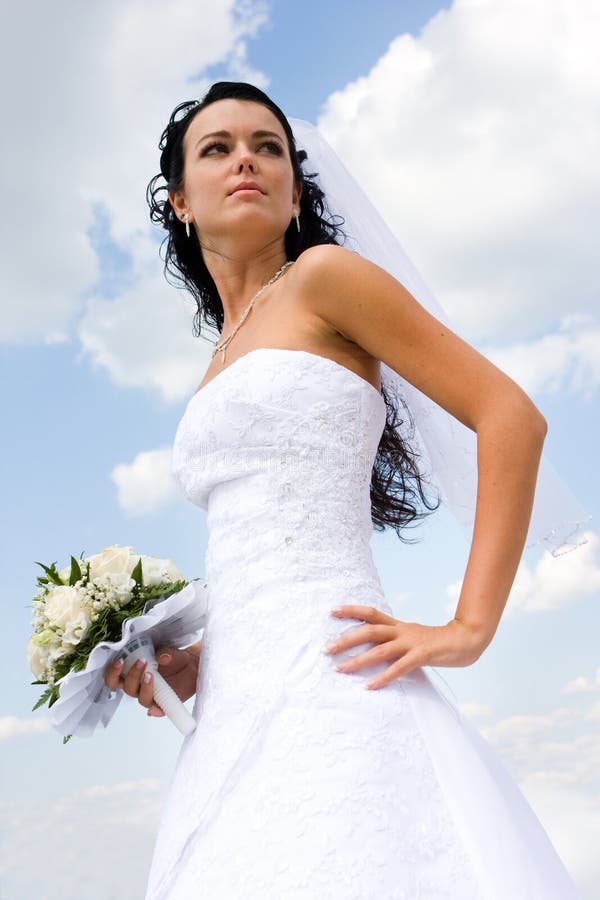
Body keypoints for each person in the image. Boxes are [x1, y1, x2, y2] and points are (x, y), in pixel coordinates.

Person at [105, 81, 583, 898]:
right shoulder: (219, 359)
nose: (246, 160)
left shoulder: (323, 278)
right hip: (233, 714)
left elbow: (511, 416)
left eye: (268, 148)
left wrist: (469, 626)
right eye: (218, 149)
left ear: (295, 192)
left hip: (341, 682)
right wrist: (195, 664)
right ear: (180, 202)